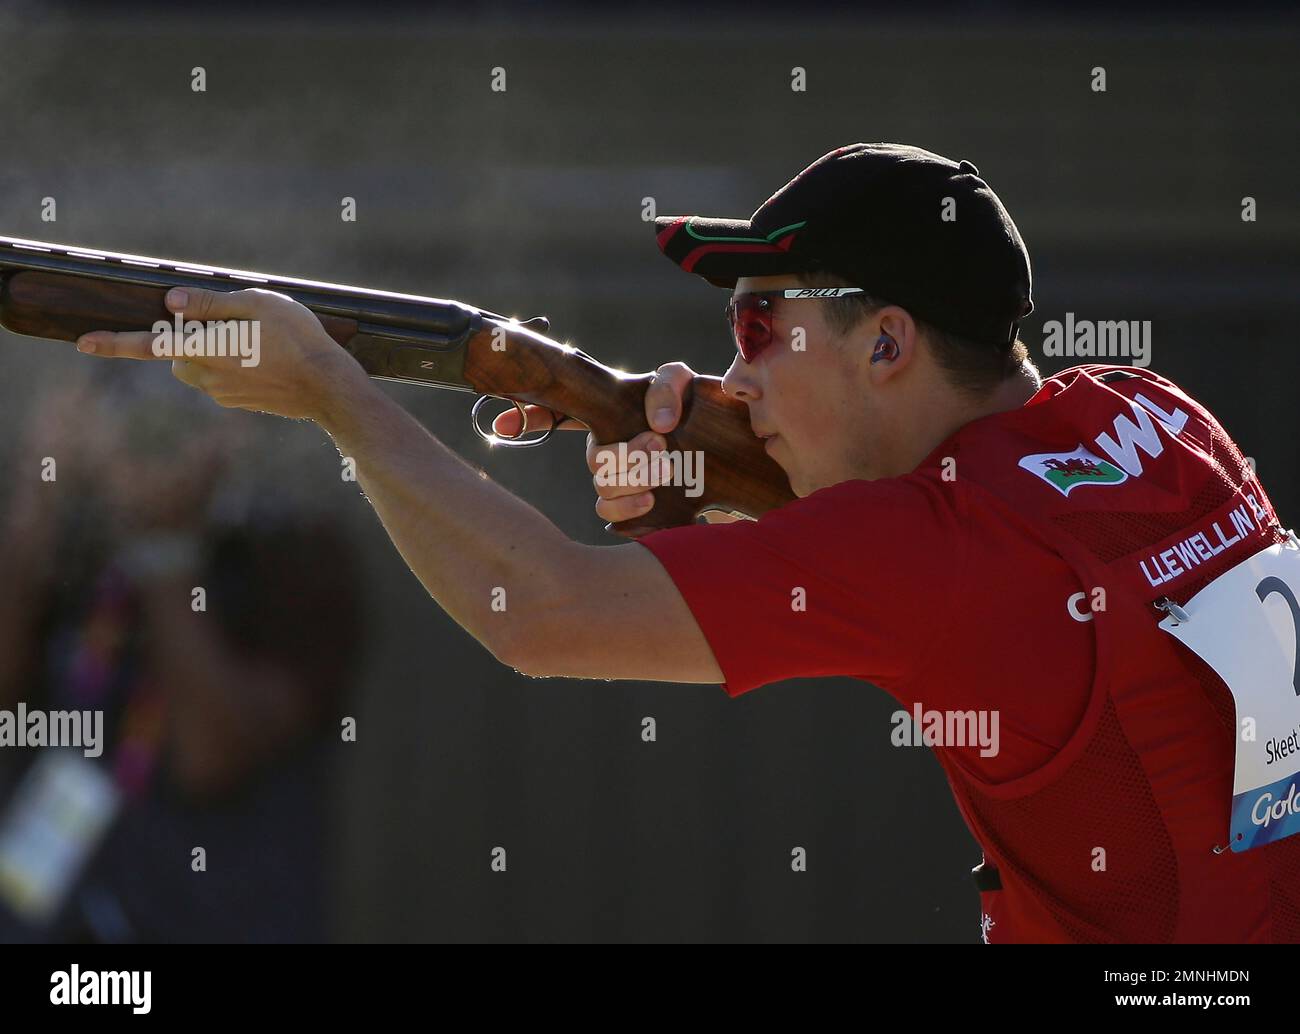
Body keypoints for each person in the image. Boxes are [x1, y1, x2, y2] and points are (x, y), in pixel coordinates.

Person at [72, 143, 1300, 943]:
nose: (733, 369)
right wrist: (733, 493)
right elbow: (1014, 595)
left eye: (764, 327)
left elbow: (541, 614)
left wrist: (333, 391)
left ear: (886, 344)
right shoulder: (1144, 414)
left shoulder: (938, 550)